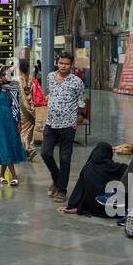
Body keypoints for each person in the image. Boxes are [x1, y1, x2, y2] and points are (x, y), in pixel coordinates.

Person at [40, 52, 86, 202]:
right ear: (57, 63)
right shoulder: (50, 77)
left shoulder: (77, 82)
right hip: (51, 123)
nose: (63, 66)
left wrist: (75, 119)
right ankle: (57, 177)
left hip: (68, 125)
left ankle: (62, 190)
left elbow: (81, 103)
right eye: (61, 63)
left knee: (65, 158)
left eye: (66, 64)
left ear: (71, 65)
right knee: (45, 153)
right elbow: (50, 94)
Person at [59, 142, 127, 217]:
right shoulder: (114, 167)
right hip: (113, 210)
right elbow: (130, 170)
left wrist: (72, 206)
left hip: (92, 208)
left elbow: (79, 190)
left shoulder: (87, 167)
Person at [0, 65, 27, 186]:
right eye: (3, 74)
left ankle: (1, 175)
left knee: (9, 146)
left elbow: (17, 106)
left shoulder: (14, 88)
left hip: (11, 121)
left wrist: (19, 122)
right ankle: (14, 175)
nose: (6, 76)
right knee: (4, 146)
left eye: (8, 74)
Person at [17, 58, 38, 159]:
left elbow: (21, 96)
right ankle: (29, 148)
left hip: (23, 109)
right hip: (32, 108)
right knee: (29, 131)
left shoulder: (19, 79)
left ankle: (28, 150)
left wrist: (25, 108)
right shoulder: (31, 79)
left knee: (22, 131)